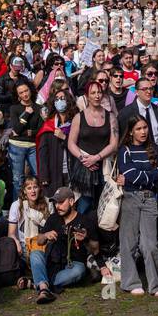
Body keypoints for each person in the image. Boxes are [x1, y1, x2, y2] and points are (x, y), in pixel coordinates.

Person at [115, 113, 158, 297]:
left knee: (150, 244)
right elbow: (131, 174)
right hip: (130, 198)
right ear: (130, 132)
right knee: (128, 243)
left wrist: (144, 177)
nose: (143, 131)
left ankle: (155, 284)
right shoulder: (125, 151)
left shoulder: (154, 149)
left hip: (149, 199)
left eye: (145, 128)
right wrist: (152, 175)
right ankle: (130, 282)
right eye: (138, 128)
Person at [29, 186, 105, 303]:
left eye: (60, 202)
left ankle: (39, 283)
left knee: (78, 271)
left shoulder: (85, 221)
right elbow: (39, 240)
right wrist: (45, 235)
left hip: (73, 264)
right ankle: (43, 289)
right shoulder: (53, 218)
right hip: (53, 261)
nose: (57, 206)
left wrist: (85, 239)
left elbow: (95, 249)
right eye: (55, 203)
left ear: (71, 201)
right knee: (35, 254)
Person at [67, 79, 118, 215]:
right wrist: (84, 159)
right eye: (93, 93)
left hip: (104, 167)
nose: (97, 96)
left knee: (104, 207)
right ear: (87, 96)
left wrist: (96, 158)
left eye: (99, 92)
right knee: (83, 206)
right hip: (83, 166)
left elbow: (114, 144)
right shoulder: (79, 117)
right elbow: (71, 142)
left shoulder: (111, 117)